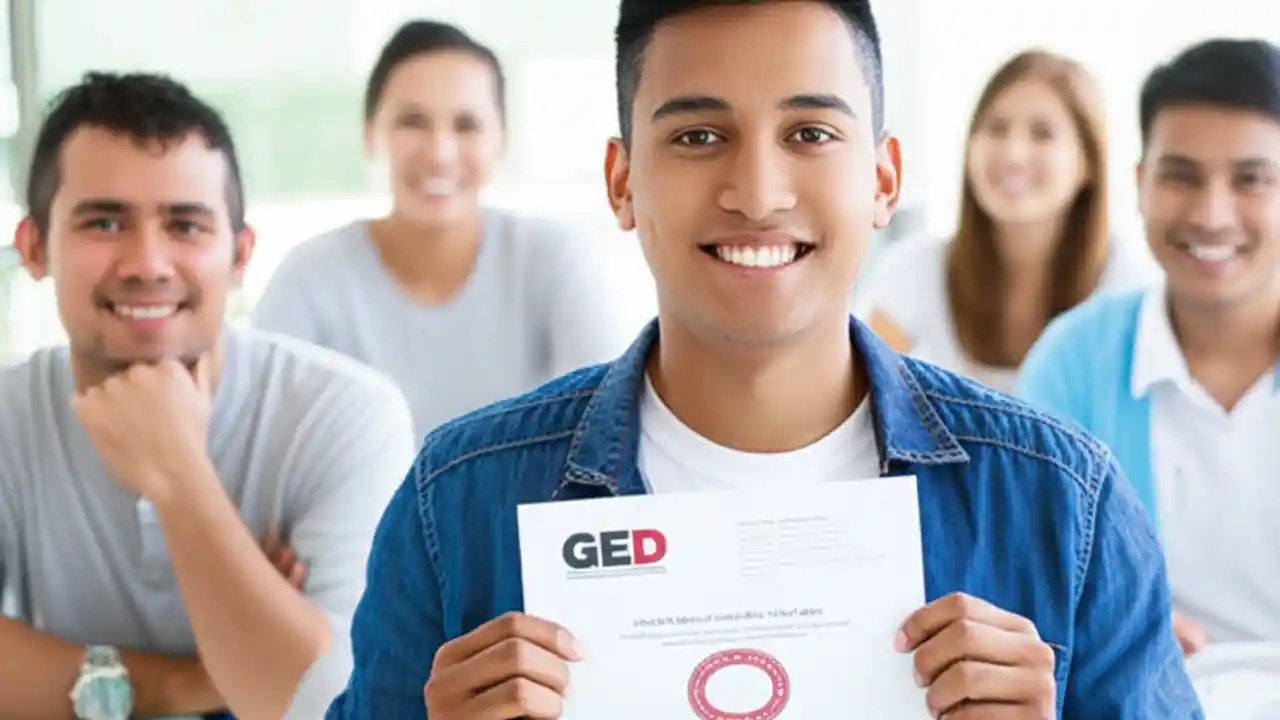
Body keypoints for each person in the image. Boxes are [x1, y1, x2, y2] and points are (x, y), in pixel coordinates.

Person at [328, 2, 1202, 717]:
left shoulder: (1063, 503)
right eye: (698, 136)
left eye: (810, 133)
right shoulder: (458, 503)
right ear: (622, 182)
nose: (757, 193)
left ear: (884, 179)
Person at [0, 73, 415, 720]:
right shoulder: (9, 414)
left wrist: (178, 475)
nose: (147, 263)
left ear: (240, 255)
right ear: (33, 248)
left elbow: (328, 706)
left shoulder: (343, 414)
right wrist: (193, 683)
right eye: (104, 222)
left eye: (186, 226)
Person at [254, 20, 643, 439]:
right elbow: (266, 445)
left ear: (501, 140)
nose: (440, 153)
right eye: (412, 121)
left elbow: (608, 429)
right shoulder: (308, 279)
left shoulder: (557, 262)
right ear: (370, 135)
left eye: (466, 125)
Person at [1019, 39, 1280, 657]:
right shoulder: (1072, 362)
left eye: (1250, 180)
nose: (1212, 215)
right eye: (1180, 176)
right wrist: (1116, 628)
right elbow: (1028, 574)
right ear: (1140, 184)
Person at [858, 50, 1158, 393]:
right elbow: (863, 397)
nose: (1013, 154)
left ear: (1089, 160)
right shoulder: (915, 269)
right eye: (996, 129)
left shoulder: (1129, 285)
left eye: (1042, 133)